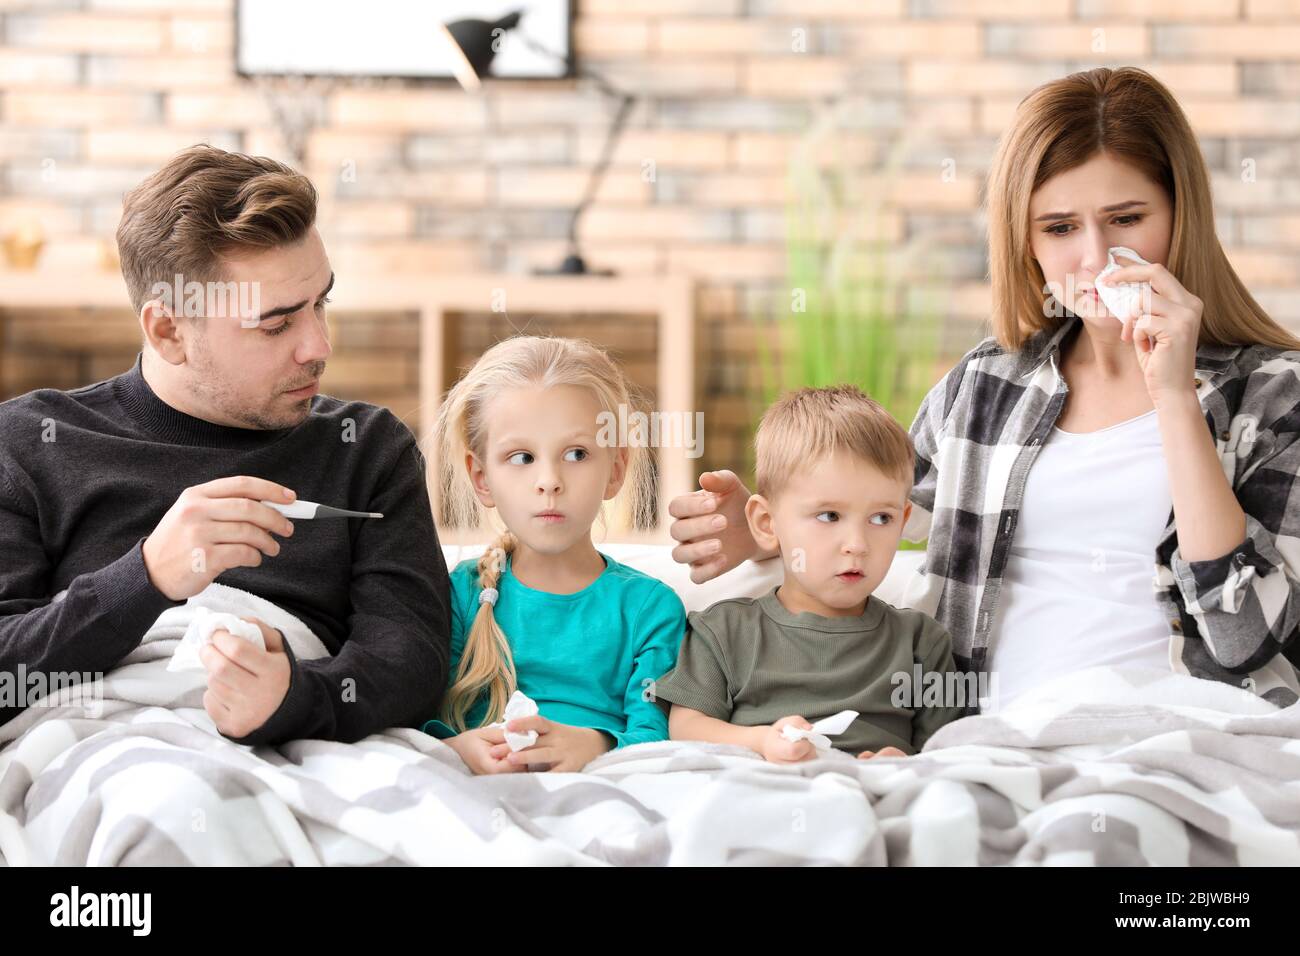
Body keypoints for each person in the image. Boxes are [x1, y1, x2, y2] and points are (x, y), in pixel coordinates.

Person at [667, 67, 1300, 711]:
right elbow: (874, 513)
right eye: (1059, 227)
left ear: (1181, 214)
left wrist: (1175, 399)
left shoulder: (1275, 396)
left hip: (1188, 733)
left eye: (1126, 218)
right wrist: (770, 536)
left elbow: (1244, 638)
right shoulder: (986, 384)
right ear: (1025, 242)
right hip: (982, 737)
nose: (1094, 257)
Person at [0, 145, 450, 743]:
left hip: (305, 750)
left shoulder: (367, 449)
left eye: (322, 303)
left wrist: (290, 699)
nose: (318, 346)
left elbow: (412, 663)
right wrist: (147, 577)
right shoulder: (31, 444)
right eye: (276, 323)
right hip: (104, 750)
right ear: (169, 330)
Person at [657, 385, 963, 761]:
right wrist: (764, 741)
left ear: (902, 522)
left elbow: (949, 752)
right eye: (829, 516)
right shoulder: (723, 630)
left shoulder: (923, 643)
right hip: (762, 790)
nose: (857, 544)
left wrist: (902, 766)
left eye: (880, 518)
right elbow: (686, 729)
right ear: (766, 523)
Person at [422, 336, 685, 773]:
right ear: (481, 478)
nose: (549, 481)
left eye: (577, 453)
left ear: (615, 470)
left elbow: (655, 735)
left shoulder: (651, 609)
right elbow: (418, 721)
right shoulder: (459, 594)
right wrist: (461, 748)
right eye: (521, 456)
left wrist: (594, 744)